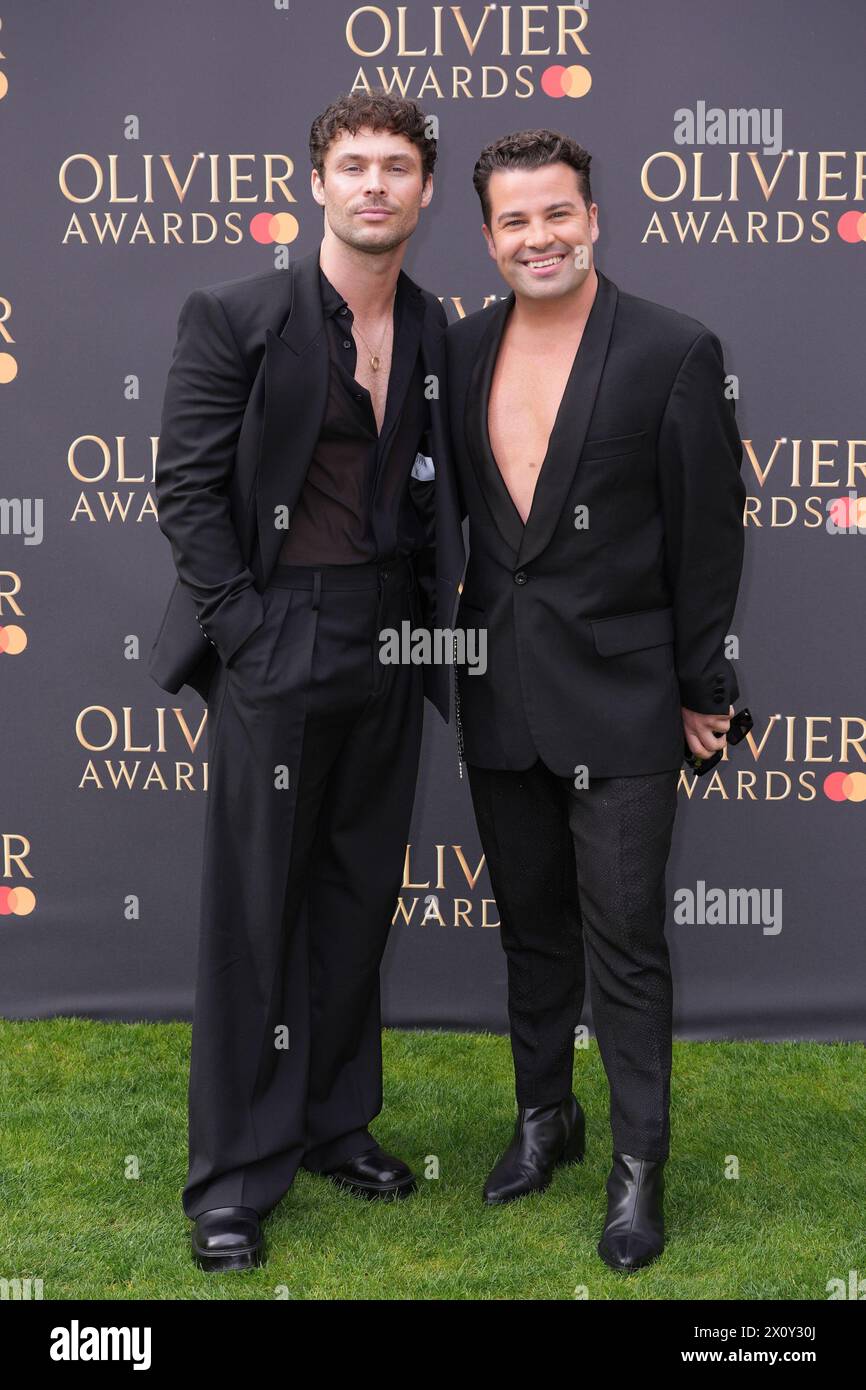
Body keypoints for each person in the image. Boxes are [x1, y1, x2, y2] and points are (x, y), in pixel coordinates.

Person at [149, 90, 464, 1271]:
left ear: (424, 191)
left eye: (396, 166)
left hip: (391, 642)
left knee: (352, 895)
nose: (374, 183)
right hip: (278, 636)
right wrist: (246, 632)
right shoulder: (235, 314)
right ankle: (231, 1179)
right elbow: (185, 490)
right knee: (253, 913)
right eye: (353, 164)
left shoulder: (435, 324)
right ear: (317, 183)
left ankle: (334, 1121)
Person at [445, 129, 746, 1271]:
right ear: (486, 237)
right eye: (515, 221)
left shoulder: (670, 349)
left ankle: (637, 1167)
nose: (539, 236)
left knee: (622, 938)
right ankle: (543, 1121)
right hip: (497, 693)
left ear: (593, 217)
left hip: (621, 700)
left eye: (557, 213)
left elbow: (707, 543)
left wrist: (699, 688)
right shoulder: (461, 349)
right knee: (529, 931)